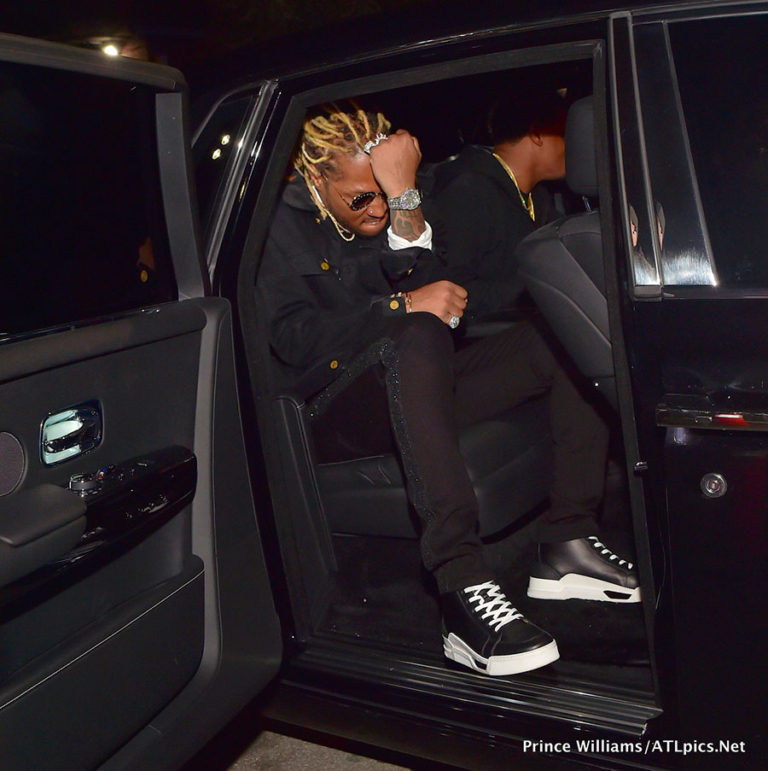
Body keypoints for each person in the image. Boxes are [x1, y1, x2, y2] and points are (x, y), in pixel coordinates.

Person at [257, 103, 640, 678]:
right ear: (316, 180)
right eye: (363, 197)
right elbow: (293, 341)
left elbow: (436, 290)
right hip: (333, 409)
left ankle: (567, 541)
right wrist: (396, 307)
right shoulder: (277, 227)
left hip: (412, 384)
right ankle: (462, 584)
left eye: (386, 194)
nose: (379, 209)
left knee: (555, 334)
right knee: (412, 330)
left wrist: (403, 196)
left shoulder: (394, 202)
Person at [428, 89, 568, 316]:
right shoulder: (470, 192)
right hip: (489, 339)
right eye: (565, 133)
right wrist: (534, 291)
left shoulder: (539, 198)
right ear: (537, 134)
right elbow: (449, 289)